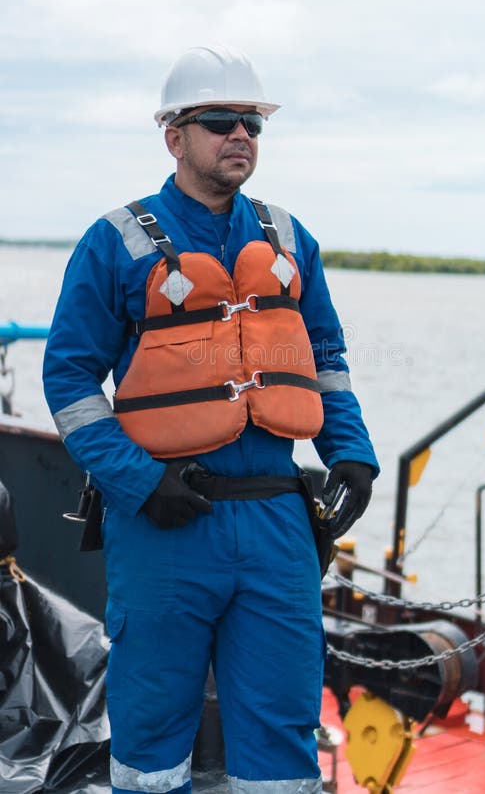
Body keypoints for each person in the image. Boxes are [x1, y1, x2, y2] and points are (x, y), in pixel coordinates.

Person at [43, 44, 379, 794]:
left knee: (282, 729)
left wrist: (350, 450)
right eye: (221, 121)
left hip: (276, 525)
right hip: (164, 524)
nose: (241, 137)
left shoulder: (291, 239)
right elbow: (68, 376)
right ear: (175, 136)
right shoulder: (117, 241)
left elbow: (323, 353)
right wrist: (138, 481)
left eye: (253, 124)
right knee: (151, 732)